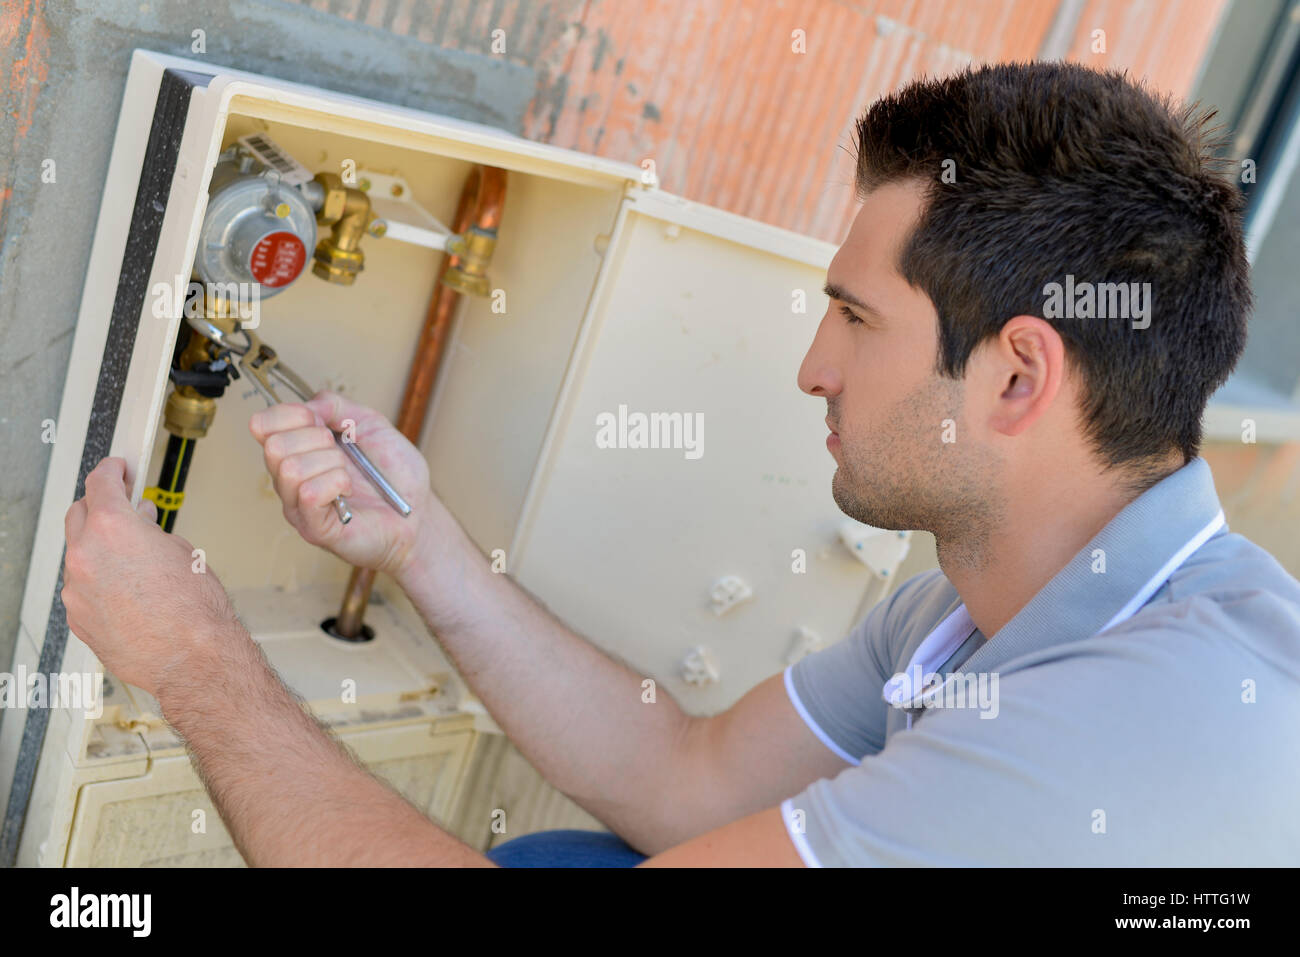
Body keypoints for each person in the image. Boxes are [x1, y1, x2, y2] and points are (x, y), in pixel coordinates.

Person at [60, 61, 1300, 867]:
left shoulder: (1135, 724)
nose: (813, 367)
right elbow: (684, 777)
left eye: (855, 320)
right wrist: (421, 544)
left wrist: (197, 664)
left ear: (1018, 377)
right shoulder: (973, 612)